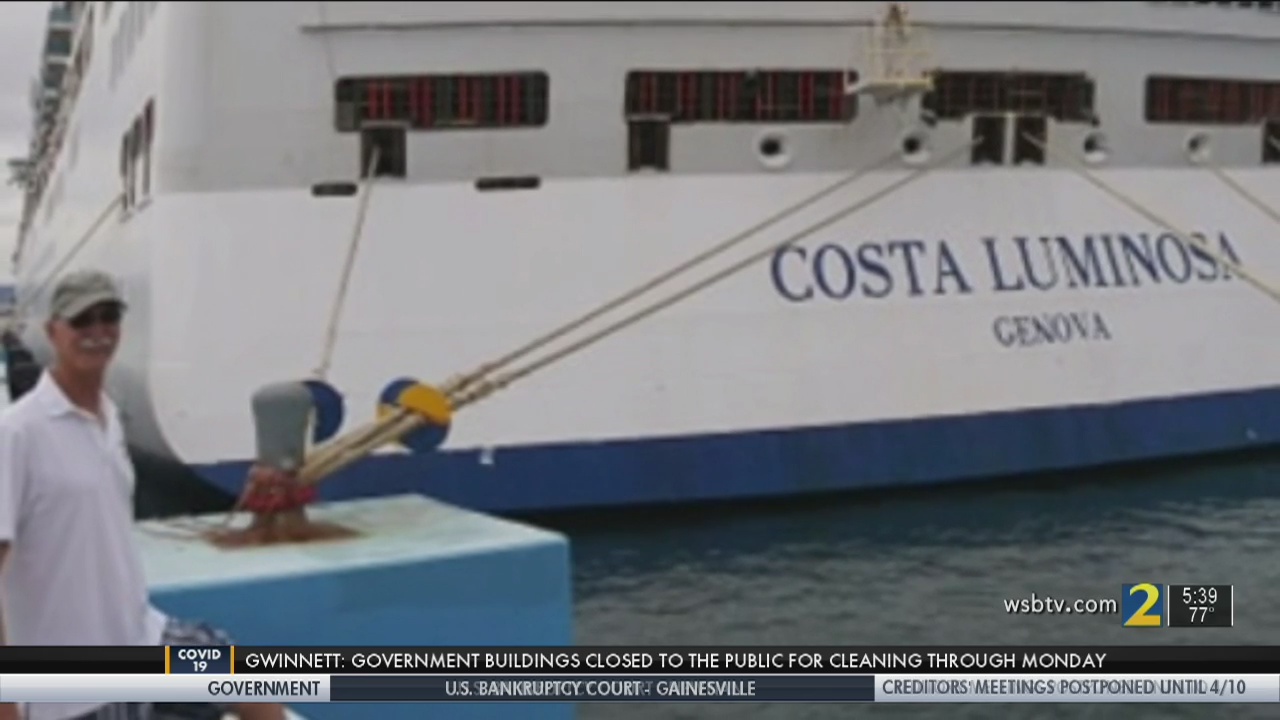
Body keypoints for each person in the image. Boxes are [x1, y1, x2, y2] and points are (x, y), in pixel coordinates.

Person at [0, 271, 287, 720]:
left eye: (108, 316)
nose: (97, 331)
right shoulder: (17, 434)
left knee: (247, 684)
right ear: (52, 330)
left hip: (144, 640)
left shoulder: (110, 417)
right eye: (82, 321)